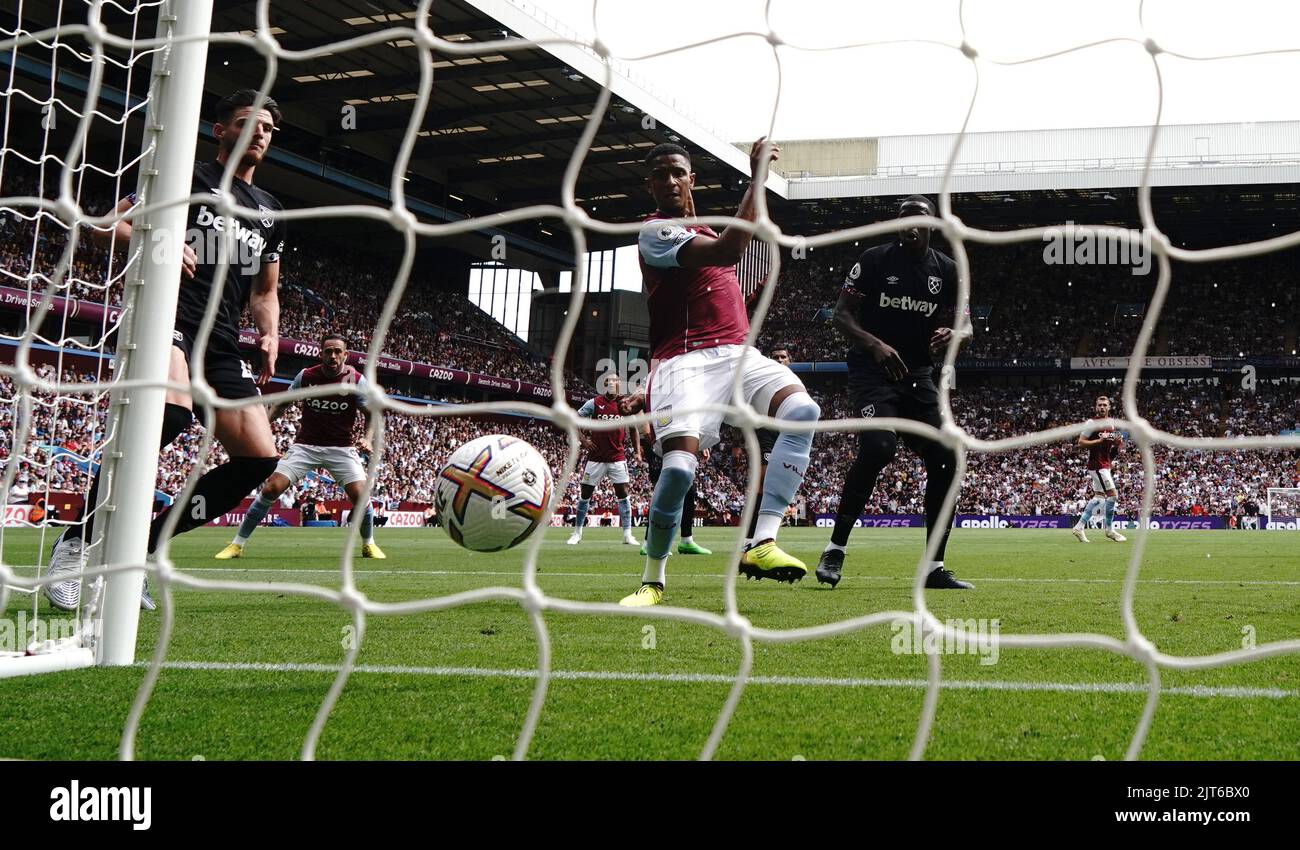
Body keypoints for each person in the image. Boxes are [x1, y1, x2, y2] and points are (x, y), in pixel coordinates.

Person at [46, 90, 287, 612]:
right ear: (220, 130)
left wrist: (268, 332)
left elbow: (265, 292)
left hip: (222, 340)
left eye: (268, 127)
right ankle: (74, 543)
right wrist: (155, 240)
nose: (260, 133)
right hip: (166, 320)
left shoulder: (270, 210)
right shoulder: (182, 176)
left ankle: (139, 551)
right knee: (171, 417)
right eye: (247, 123)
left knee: (258, 459)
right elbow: (104, 226)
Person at [619, 138, 820, 607]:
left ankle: (762, 542)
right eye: (660, 175)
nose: (670, 181)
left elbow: (721, 294)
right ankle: (653, 579)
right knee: (677, 471)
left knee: (803, 411)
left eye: (677, 173)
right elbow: (731, 250)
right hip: (682, 362)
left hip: (736, 353)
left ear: (693, 179)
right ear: (649, 185)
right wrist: (757, 177)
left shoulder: (702, 229)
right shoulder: (654, 231)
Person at [815, 195, 974, 590]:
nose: (910, 226)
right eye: (903, 220)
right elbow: (841, 314)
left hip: (918, 375)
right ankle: (836, 548)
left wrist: (956, 334)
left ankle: (933, 567)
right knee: (879, 448)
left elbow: (968, 327)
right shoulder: (873, 259)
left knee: (947, 457)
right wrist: (875, 345)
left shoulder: (948, 270)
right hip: (872, 371)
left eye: (918, 220)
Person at [214, 333, 385, 559]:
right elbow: (282, 404)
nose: (332, 356)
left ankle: (368, 543)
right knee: (271, 488)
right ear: (320, 353)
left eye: (337, 351)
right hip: (306, 446)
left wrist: (367, 437)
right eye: (328, 351)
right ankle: (237, 544)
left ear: (346, 354)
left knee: (361, 496)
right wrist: (262, 427)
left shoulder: (356, 380)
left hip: (341, 448)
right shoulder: (306, 376)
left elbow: (371, 413)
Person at [567, 374, 639, 546]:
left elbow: (634, 428)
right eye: (609, 382)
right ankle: (577, 533)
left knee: (623, 495)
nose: (612, 385)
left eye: (615, 382)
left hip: (617, 457)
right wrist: (584, 440)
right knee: (585, 495)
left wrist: (638, 451)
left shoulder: (625, 405)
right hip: (596, 458)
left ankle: (627, 534)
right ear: (605, 385)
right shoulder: (594, 403)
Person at [1071, 395, 1127, 543]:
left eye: (1104, 405)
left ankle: (1079, 527)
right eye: (1099, 405)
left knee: (1099, 497)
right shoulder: (1091, 423)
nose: (1102, 407)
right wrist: (1099, 441)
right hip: (1097, 465)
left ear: (1109, 407)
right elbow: (1081, 442)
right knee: (1113, 495)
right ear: (1096, 407)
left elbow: (1112, 446)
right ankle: (1109, 530)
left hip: (1105, 465)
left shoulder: (1111, 424)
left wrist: (1117, 443)